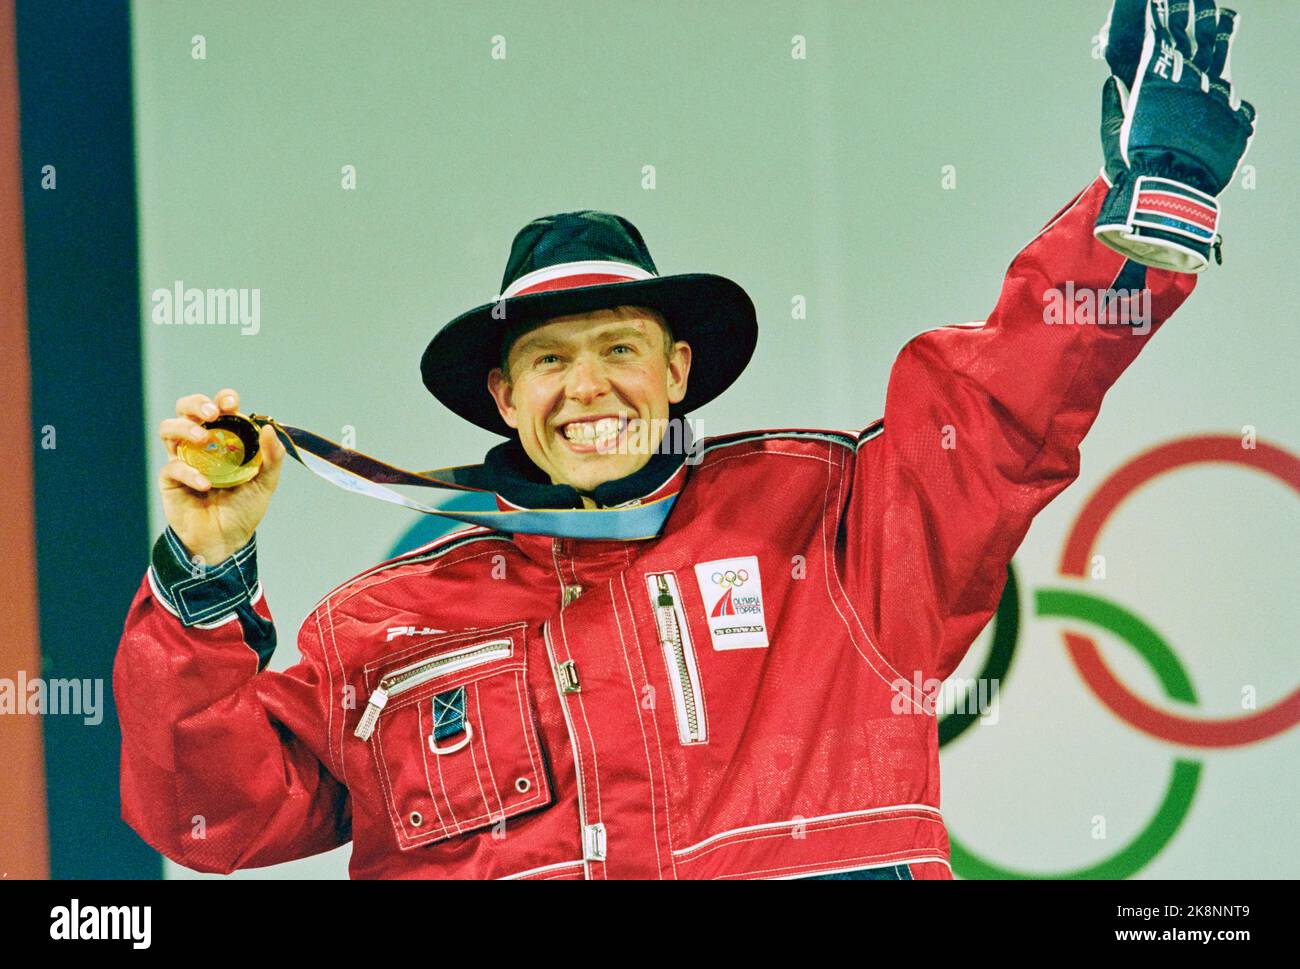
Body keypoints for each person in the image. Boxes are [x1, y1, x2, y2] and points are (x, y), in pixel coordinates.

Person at [114, 0, 1256, 879]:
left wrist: (1140, 209)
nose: (588, 385)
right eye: (549, 362)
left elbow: (1003, 402)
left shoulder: (836, 532)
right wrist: (204, 573)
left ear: (678, 371)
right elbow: (209, 816)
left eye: (618, 347)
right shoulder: (384, 628)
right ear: (503, 400)